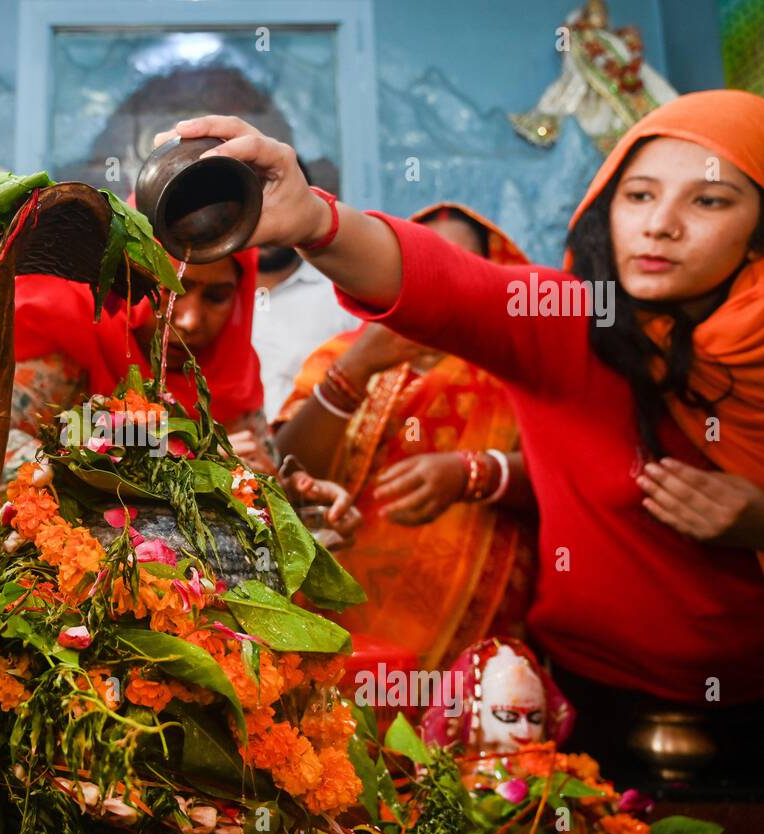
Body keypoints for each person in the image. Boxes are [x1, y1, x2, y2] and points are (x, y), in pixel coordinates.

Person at [158, 91, 764, 769]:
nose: (662, 226)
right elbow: (454, 287)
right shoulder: (567, 326)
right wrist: (317, 223)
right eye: (640, 195)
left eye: (709, 201)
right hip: (589, 706)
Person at [0, 249, 359, 543]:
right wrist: (163, 464)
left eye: (218, 297)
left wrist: (298, 501)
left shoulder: (231, 369)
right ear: (133, 279)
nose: (188, 320)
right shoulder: (69, 333)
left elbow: (251, 486)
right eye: (171, 292)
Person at [273, 204, 537, 668]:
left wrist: (470, 474)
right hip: (344, 618)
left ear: (491, 275)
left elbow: (565, 478)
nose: (440, 278)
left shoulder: (516, 368)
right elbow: (285, 476)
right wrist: (354, 370)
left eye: (460, 264)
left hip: (472, 630)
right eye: (421, 264)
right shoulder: (341, 355)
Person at [251, 157, 359, 422]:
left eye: (278, 206)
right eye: (253, 206)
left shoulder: (342, 296)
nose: (266, 220)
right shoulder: (202, 300)